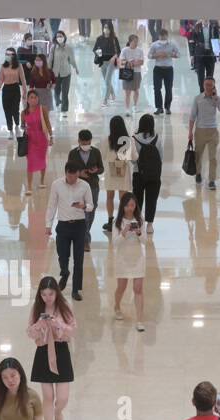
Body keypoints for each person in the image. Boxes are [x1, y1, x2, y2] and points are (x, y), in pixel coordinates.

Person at [26, 277, 77, 420]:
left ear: (56, 292)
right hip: (43, 353)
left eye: (50, 294)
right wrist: (39, 325)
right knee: (48, 396)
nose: (47, 298)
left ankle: (57, 412)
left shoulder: (64, 307)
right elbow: (30, 334)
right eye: (43, 294)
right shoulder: (37, 309)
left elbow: (72, 331)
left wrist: (58, 325)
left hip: (61, 352)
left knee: (62, 398)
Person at [46, 161, 93, 301]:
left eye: (74, 176)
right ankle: (65, 273)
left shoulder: (85, 185)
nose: (72, 179)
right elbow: (52, 205)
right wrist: (48, 225)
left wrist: (84, 206)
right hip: (63, 225)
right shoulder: (56, 185)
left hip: (79, 226)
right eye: (69, 176)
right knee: (62, 255)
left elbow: (91, 205)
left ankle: (76, 289)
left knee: (79, 259)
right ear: (65, 173)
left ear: (78, 174)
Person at [112, 193, 146, 331]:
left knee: (138, 288)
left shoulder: (140, 220)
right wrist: (124, 232)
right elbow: (115, 243)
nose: (130, 208)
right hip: (123, 259)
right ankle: (117, 306)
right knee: (122, 287)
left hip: (138, 258)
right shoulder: (118, 222)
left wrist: (139, 233)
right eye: (127, 205)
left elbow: (145, 241)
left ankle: (139, 320)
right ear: (123, 206)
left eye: (132, 205)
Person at [66, 129, 104, 252]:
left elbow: (101, 168)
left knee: (90, 212)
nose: (86, 145)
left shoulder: (96, 152)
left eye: (88, 143)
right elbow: (68, 170)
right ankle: (85, 240)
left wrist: (96, 171)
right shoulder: (73, 153)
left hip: (93, 185)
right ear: (79, 141)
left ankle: (83, 236)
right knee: (82, 213)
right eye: (83, 142)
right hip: (78, 186)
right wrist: (79, 173)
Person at [188, 78, 220, 190]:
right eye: (206, 84)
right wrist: (190, 132)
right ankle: (198, 173)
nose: (208, 87)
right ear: (203, 85)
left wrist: (216, 99)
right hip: (200, 131)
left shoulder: (216, 99)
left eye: (210, 85)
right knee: (198, 155)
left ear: (213, 86)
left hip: (213, 131)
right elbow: (192, 116)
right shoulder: (198, 99)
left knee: (213, 157)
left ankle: (212, 180)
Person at [101, 115, 135, 232]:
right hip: (124, 172)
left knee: (109, 197)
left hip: (110, 172)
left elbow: (102, 155)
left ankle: (110, 221)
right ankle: (122, 221)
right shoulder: (129, 141)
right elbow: (134, 157)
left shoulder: (107, 140)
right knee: (123, 199)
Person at [132, 113, 163, 234]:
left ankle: (138, 224)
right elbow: (161, 157)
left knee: (137, 198)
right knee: (152, 199)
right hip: (154, 175)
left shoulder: (134, 138)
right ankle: (150, 225)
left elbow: (132, 159)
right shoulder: (158, 138)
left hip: (138, 173)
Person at [20, 90, 53, 194]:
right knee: (30, 163)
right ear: (27, 100)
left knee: (42, 160)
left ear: (38, 99)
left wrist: (51, 136)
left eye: (35, 97)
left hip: (42, 138)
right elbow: (22, 125)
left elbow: (47, 123)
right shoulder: (23, 113)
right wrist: (24, 127)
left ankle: (42, 180)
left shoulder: (42, 109)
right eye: (31, 97)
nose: (33, 99)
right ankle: (29, 186)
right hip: (30, 140)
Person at [0, 47, 28, 139]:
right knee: (7, 110)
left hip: (15, 89)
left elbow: (23, 79)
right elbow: (1, 79)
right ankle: (10, 130)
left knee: (15, 110)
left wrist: (24, 92)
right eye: (6, 54)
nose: (8, 56)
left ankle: (17, 125)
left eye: (10, 54)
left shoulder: (19, 66)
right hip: (6, 89)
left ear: (14, 56)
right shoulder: (3, 66)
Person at [148, 28, 179, 115]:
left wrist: (169, 54)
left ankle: (167, 107)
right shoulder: (154, 45)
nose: (162, 39)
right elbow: (149, 55)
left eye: (164, 37)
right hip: (158, 69)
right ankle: (159, 107)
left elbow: (178, 54)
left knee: (168, 89)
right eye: (161, 37)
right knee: (157, 88)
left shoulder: (172, 44)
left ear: (167, 36)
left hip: (169, 69)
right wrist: (157, 55)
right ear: (159, 36)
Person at [49, 30, 78, 116]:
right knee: (57, 91)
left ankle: (64, 110)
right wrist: (48, 70)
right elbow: (50, 60)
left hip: (66, 73)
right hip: (56, 73)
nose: (59, 38)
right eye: (58, 36)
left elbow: (72, 59)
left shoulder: (68, 48)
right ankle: (57, 102)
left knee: (65, 92)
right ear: (56, 38)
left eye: (61, 36)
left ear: (64, 37)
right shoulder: (53, 48)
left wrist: (76, 68)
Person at [116, 34, 145, 117]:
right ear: (130, 42)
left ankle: (135, 106)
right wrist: (131, 63)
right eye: (134, 41)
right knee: (127, 91)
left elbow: (141, 62)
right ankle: (127, 109)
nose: (136, 43)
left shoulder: (140, 50)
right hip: (126, 71)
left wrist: (132, 63)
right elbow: (121, 61)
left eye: (137, 41)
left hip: (137, 72)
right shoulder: (125, 50)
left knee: (136, 90)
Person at [93, 25, 120, 107]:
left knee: (107, 80)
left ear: (111, 29)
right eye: (105, 28)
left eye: (108, 28)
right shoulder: (99, 38)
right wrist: (98, 53)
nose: (106, 30)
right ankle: (113, 94)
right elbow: (94, 49)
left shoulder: (114, 39)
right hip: (102, 62)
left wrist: (114, 57)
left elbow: (119, 51)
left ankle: (105, 100)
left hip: (111, 62)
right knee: (106, 80)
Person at [189, 19, 220, 88]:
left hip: (210, 55)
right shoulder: (196, 27)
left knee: (210, 76)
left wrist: (218, 54)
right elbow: (192, 42)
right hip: (199, 55)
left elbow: (217, 40)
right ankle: (202, 92)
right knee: (200, 76)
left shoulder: (213, 27)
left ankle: (209, 93)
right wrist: (192, 55)